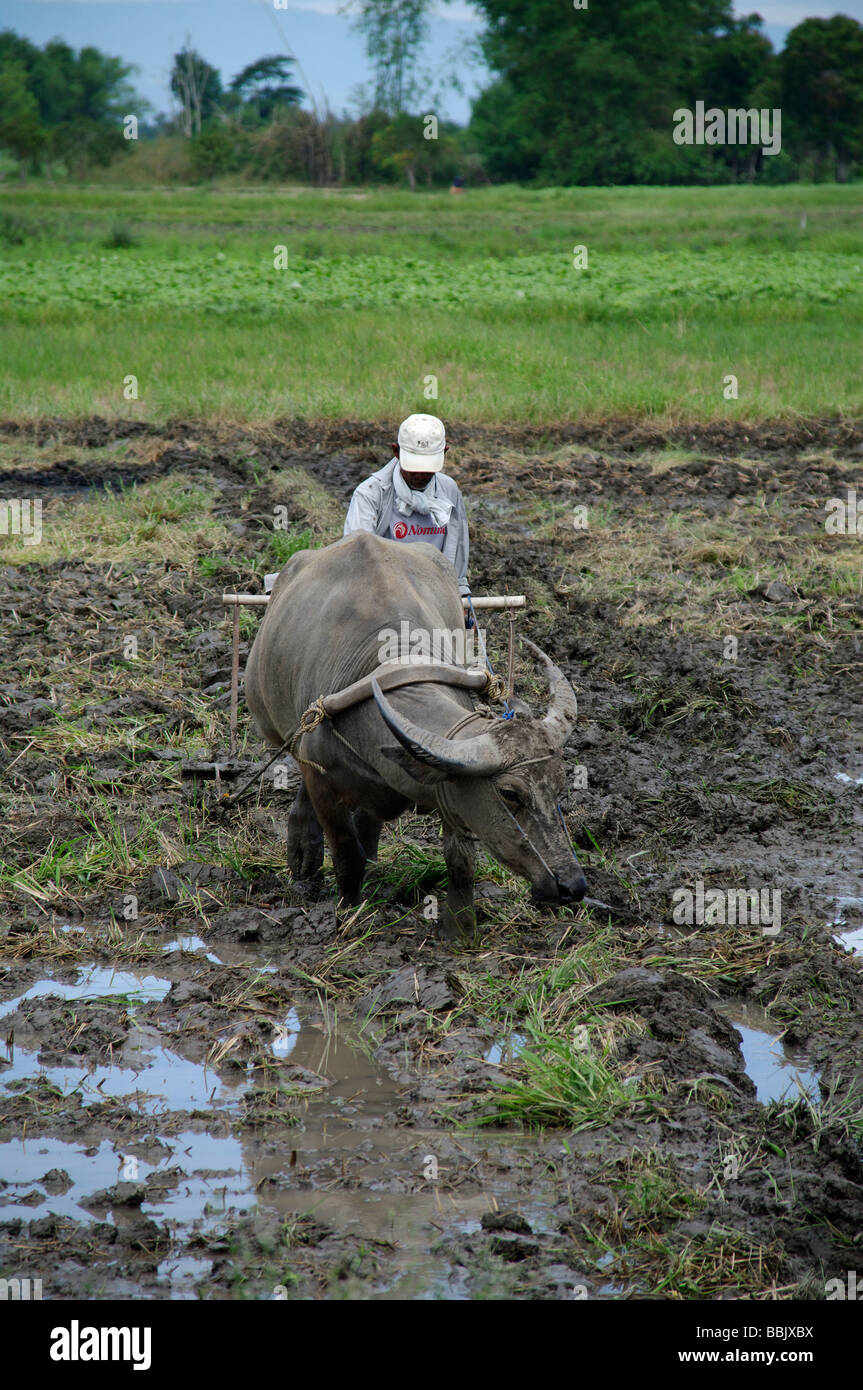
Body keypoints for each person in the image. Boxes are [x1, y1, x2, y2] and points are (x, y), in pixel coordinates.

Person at [343, 414, 472, 607]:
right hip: (385, 596)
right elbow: (358, 556)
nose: (420, 473)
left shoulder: (449, 491)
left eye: (427, 466)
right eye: (414, 466)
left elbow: (457, 559)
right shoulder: (370, 494)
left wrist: (461, 598)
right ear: (396, 451)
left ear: (444, 453)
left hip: (436, 596)